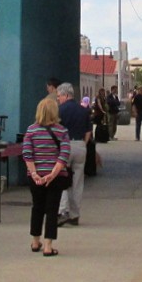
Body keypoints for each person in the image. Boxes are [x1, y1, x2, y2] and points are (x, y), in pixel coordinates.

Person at [22, 96, 71, 256]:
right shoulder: (62, 131)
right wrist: (52, 174)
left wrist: (35, 174)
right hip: (56, 177)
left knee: (37, 207)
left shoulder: (31, 130)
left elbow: (27, 154)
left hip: (35, 176)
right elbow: (64, 155)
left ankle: (35, 241)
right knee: (52, 209)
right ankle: (48, 246)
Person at [55, 83, 91, 226]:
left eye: (59, 96)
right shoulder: (83, 111)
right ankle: (75, 214)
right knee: (77, 182)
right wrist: (84, 143)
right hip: (80, 145)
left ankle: (63, 211)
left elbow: (55, 129)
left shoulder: (59, 110)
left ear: (66, 95)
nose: (58, 99)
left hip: (65, 146)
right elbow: (88, 131)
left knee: (62, 179)